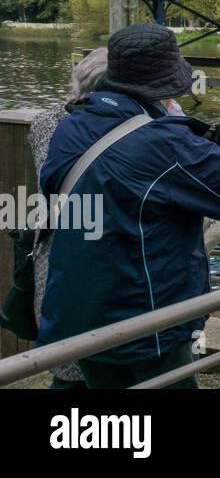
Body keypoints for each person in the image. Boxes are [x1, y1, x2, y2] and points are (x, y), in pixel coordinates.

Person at [39, 23, 220, 388]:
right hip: (146, 321)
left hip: (81, 315)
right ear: (166, 84)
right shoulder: (168, 143)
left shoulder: (72, 126)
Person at [25, 48, 110, 390]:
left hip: (54, 247)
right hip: (98, 254)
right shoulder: (127, 129)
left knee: (68, 360)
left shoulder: (46, 122)